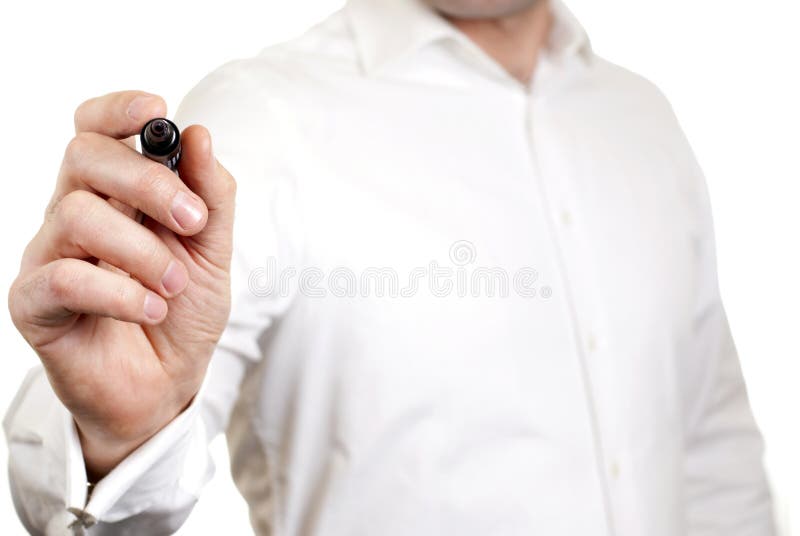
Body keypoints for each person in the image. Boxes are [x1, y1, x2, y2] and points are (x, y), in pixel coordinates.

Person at [5, 0, 775, 534]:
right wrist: (114, 433)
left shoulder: (645, 120)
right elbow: (115, 453)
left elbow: (713, 451)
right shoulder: (264, 118)